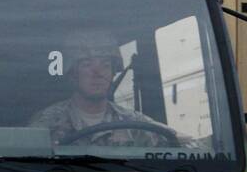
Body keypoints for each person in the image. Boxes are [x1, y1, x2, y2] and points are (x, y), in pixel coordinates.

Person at [30, 31, 176, 148]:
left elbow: (180, 149)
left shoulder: (135, 124)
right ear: (73, 73)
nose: (98, 73)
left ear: (113, 72)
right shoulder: (46, 125)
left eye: (105, 65)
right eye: (87, 64)